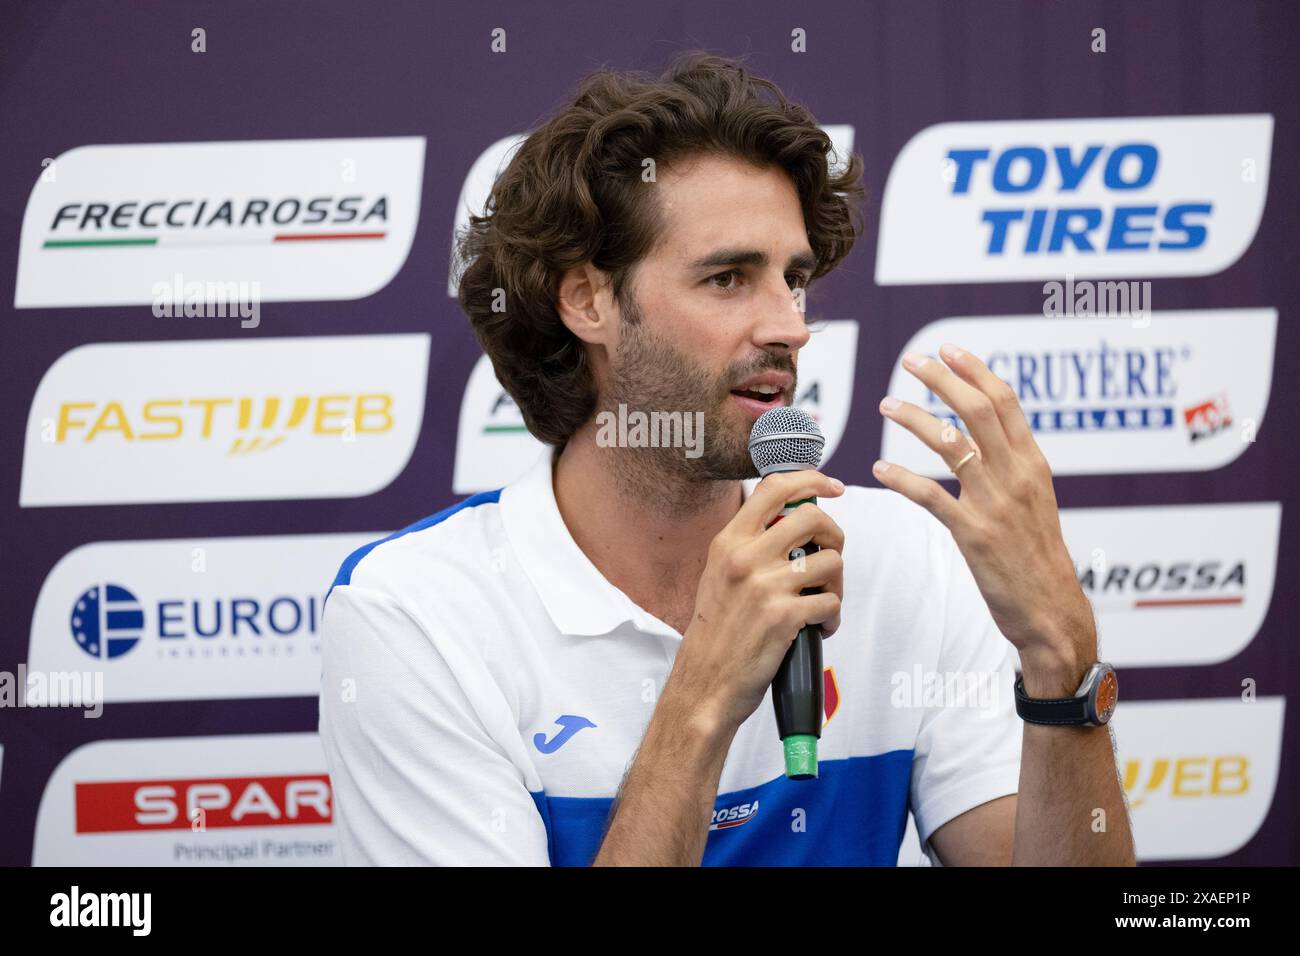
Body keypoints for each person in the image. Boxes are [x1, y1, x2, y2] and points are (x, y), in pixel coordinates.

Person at [319, 52, 1135, 866]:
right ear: (587, 300)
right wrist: (706, 689)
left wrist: (1061, 656)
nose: (790, 326)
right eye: (728, 278)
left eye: (794, 279)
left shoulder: (906, 557)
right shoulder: (413, 614)